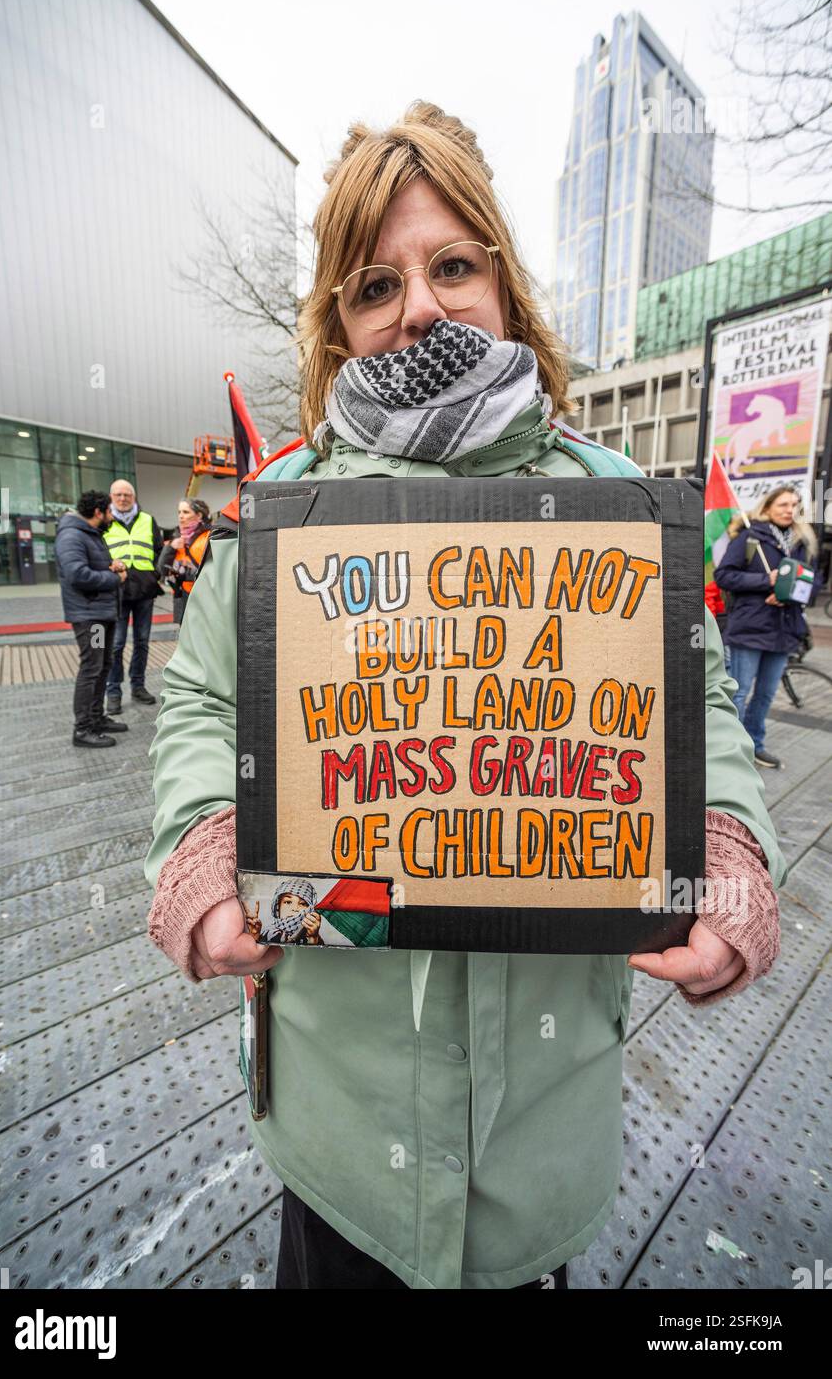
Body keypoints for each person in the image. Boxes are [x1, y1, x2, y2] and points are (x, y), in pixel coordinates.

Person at [143, 103, 786, 1291]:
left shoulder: (619, 511)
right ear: (339, 322)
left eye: (450, 266)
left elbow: (697, 717)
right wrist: (202, 844)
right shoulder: (280, 517)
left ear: (503, 278)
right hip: (342, 1142)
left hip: (532, 1148)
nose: (420, 306)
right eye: (375, 284)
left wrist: (730, 853)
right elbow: (200, 703)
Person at [715, 485, 820, 769]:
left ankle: (754, 745)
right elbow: (724, 575)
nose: (789, 510)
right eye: (783, 504)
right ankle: (730, 748)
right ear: (768, 507)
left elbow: (815, 580)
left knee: (765, 694)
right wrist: (767, 582)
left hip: (785, 629)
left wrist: (793, 592)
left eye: (794, 505)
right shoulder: (751, 537)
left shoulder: (802, 542)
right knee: (739, 691)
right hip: (750, 627)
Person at [55, 490, 130, 748]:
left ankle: (97, 719)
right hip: (91, 617)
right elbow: (77, 575)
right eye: (109, 511)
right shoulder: (72, 536)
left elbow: (90, 568)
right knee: (92, 668)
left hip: (101, 613)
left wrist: (112, 566)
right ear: (98, 512)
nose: (112, 516)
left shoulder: (90, 535)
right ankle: (83, 729)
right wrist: (114, 578)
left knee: (103, 665)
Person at [103, 478, 164, 712]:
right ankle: (113, 691)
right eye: (118, 495)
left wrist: (156, 573)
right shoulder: (106, 521)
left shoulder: (148, 520)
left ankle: (138, 686)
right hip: (116, 590)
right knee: (116, 644)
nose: (122, 499)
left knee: (141, 642)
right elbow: (99, 551)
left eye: (127, 495)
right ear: (111, 498)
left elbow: (159, 550)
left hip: (144, 591)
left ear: (134, 497)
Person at [158, 498, 212, 624]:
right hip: (182, 598)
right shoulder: (177, 537)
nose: (181, 516)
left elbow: (213, 573)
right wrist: (170, 548)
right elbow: (161, 570)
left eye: (186, 512)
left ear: (199, 515)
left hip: (204, 599)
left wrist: (185, 574)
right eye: (179, 512)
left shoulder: (208, 537)